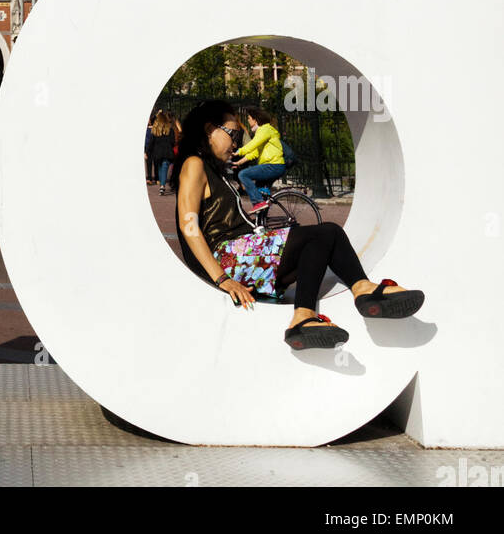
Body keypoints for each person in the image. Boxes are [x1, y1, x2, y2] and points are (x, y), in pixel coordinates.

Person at [172, 99, 425, 350]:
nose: (237, 143)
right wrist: (222, 279)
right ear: (209, 130)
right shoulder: (194, 164)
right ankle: (340, 298)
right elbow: (188, 225)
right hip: (226, 257)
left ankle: (331, 304)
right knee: (325, 233)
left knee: (322, 241)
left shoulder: (215, 171)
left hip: (240, 254)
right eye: (233, 134)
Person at [230, 107, 286, 209]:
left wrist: (238, 152)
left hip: (273, 165)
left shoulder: (265, 130)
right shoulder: (262, 131)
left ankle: (258, 203)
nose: (247, 120)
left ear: (255, 119)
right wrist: (239, 162)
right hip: (272, 165)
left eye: (249, 118)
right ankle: (261, 220)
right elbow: (254, 153)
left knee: (243, 174)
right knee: (260, 191)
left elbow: (252, 144)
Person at [150, 111, 176, 196]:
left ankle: (162, 185)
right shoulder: (170, 130)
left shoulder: (155, 130)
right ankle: (162, 185)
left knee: (161, 168)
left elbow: (151, 142)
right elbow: (173, 142)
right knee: (164, 167)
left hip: (157, 152)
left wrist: (147, 152)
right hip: (167, 151)